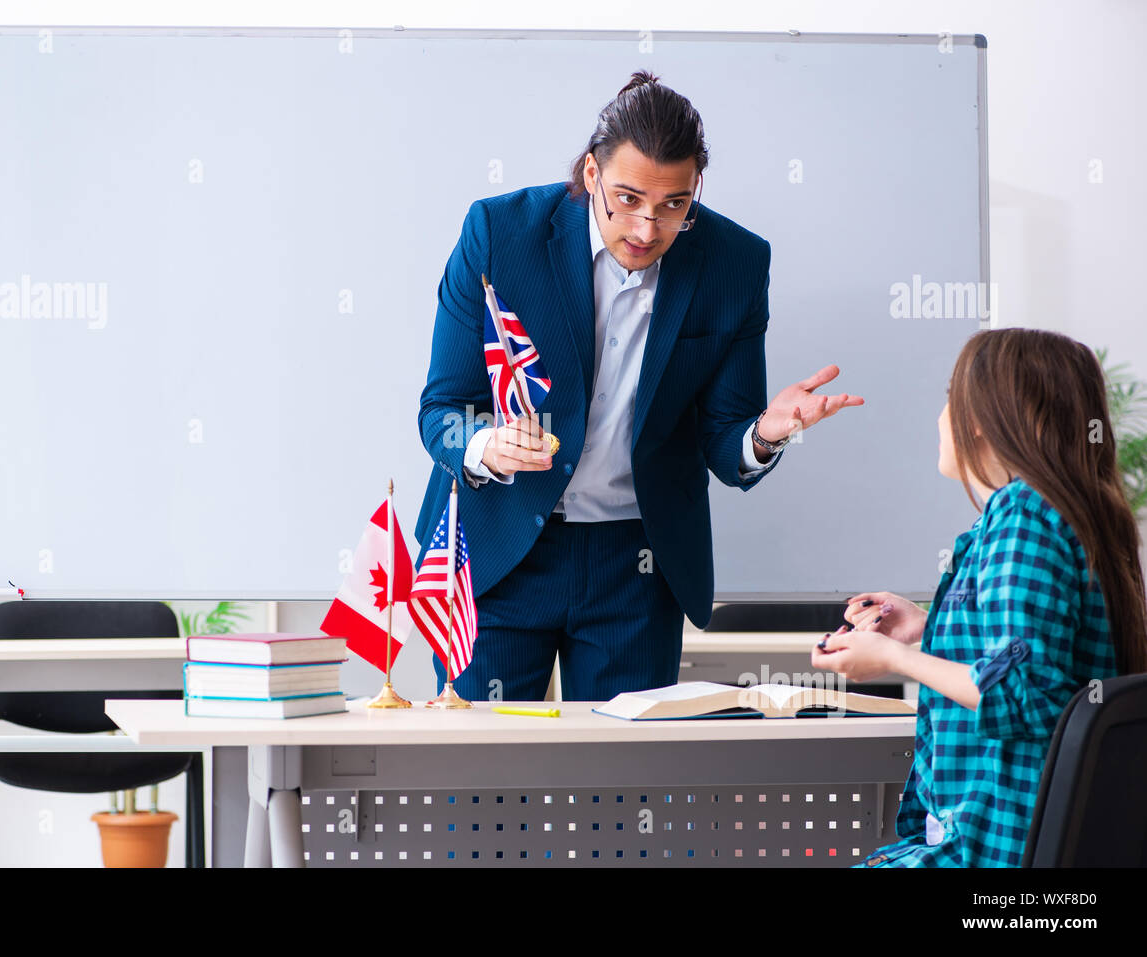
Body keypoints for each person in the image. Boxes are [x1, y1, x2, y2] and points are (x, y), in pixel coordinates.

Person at [415, 70, 862, 701]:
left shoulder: (735, 264)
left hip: (636, 568)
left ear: (695, 189)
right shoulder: (500, 233)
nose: (648, 229)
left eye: (673, 205)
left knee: (622, 790)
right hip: (500, 550)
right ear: (591, 174)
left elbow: (724, 442)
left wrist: (765, 434)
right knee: (482, 783)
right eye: (627, 199)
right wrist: (485, 446)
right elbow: (442, 410)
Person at [813, 327, 1147, 867]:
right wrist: (928, 624)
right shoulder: (1076, 511)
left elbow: (1022, 692)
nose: (941, 419)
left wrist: (898, 659)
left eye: (950, 399)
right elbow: (1026, 649)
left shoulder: (1025, 517)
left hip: (990, 850)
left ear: (981, 419)